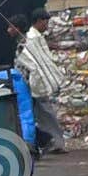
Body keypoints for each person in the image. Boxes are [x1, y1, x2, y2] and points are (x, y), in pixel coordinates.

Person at [10, 11, 66, 155]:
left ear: (17, 28)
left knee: (45, 112)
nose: (8, 30)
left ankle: (56, 142)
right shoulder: (25, 42)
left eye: (11, 27)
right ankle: (46, 142)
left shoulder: (26, 44)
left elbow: (33, 66)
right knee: (37, 115)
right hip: (31, 84)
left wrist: (33, 85)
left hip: (35, 85)